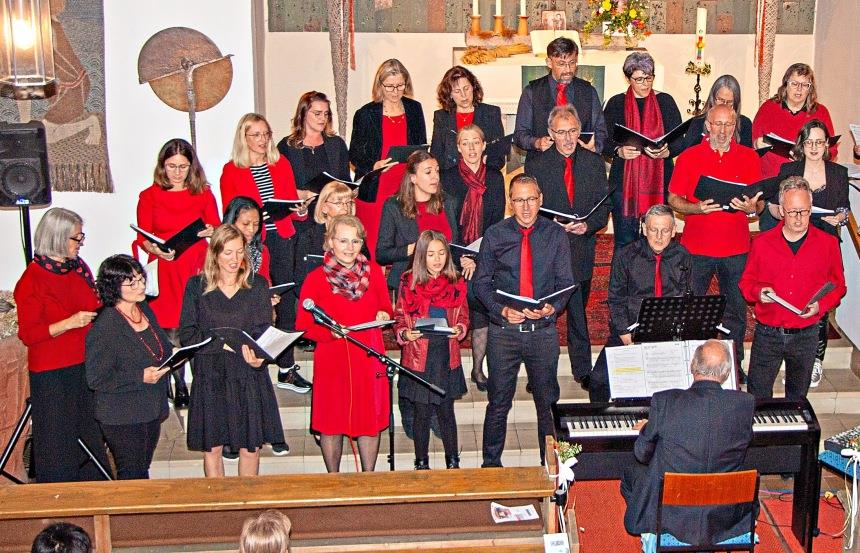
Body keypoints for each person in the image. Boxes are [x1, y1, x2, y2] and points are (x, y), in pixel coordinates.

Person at [474, 175, 575, 467]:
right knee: (498, 403)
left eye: (531, 199)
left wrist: (552, 308)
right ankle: (491, 467)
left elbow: (565, 282)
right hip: (503, 333)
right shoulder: (495, 234)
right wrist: (501, 310)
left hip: (542, 333)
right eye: (519, 200)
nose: (526, 207)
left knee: (547, 404)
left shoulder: (555, 235)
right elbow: (481, 284)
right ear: (510, 203)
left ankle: (552, 468)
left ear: (541, 199)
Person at [621, 340, 756, 550]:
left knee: (632, 472)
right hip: (724, 513)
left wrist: (649, 428)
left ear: (693, 366)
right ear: (727, 373)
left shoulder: (665, 401)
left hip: (672, 516)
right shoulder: (745, 403)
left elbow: (642, 454)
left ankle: (652, 530)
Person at [179, 224, 287, 477]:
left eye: (240, 252)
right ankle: (216, 499)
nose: (235, 259)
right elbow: (188, 335)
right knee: (213, 447)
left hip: (248, 374)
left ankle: (246, 498)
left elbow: (263, 331)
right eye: (228, 252)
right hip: (211, 374)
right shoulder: (196, 286)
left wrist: (260, 359)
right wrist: (224, 343)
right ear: (215, 253)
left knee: (251, 448)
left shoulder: (257, 285)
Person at [14, 207, 109, 483]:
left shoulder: (78, 268)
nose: (80, 243)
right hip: (52, 372)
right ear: (56, 238)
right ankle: (58, 494)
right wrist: (69, 323)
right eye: (75, 238)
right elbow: (29, 335)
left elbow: (94, 304)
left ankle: (93, 490)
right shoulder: (31, 280)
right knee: (57, 440)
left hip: (83, 363)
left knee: (88, 432)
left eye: (81, 237)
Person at [667, 105, 762, 378]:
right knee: (692, 309)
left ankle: (735, 368)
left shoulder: (749, 157)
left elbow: (760, 204)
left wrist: (751, 208)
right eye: (717, 124)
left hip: (736, 248)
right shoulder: (689, 157)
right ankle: (692, 366)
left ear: (735, 127)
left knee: (735, 312)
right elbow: (673, 199)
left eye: (728, 124)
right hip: (697, 248)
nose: (722, 130)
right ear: (707, 126)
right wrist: (696, 208)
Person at [220, 113, 312, 394]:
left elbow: (290, 204)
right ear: (244, 138)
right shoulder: (231, 170)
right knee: (251, 301)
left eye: (266, 134)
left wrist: (300, 210)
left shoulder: (280, 163)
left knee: (285, 302)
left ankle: (286, 368)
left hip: (281, 238)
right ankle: (249, 363)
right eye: (255, 135)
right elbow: (230, 213)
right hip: (250, 242)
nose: (262, 140)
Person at [295, 215, 393, 472]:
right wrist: (329, 333)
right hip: (333, 356)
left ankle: (368, 479)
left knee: (368, 421)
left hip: (368, 354)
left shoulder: (374, 273)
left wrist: (384, 314)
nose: (350, 247)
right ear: (330, 242)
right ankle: (333, 480)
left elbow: (385, 306)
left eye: (356, 241)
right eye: (343, 241)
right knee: (331, 422)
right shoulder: (315, 278)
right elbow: (303, 324)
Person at [758, 120, 850, 388]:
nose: (814, 147)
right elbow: (774, 206)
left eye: (820, 142)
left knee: (820, 300)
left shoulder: (838, 172)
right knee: (791, 294)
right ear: (801, 144)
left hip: (824, 242)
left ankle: (815, 360)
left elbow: (844, 209)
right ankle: (788, 353)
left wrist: (840, 218)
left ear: (827, 145)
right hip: (794, 242)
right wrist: (784, 214)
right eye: (809, 142)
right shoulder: (789, 170)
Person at [524, 105, 609, 386]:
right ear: (550, 133)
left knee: (577, 313)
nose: (568, 138)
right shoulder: (537, 164)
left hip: (581, 245)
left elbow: (604, 205)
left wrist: (588, 225)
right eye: (561, 132)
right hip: (548, 247)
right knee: (541, 313)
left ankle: (582, 369)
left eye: (573, 131)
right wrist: (551, 226)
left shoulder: (594, 162)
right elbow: (528, 207)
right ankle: (538, 372)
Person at [740, 176, 846, 400]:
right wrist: (759, 293)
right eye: (792, 212)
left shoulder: (827, 243)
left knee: (797, 399)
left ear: (810, 209)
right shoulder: (762, 243)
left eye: (804, 212)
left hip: (806, 334)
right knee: (757, 397)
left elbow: (838, 286)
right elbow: (746, 284)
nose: (798, 218)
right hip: (768, 333)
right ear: (781, 210)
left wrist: (820, 306)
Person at [134, 138, 219, 409]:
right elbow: (143, 236)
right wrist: (157, 250)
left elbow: (216, 226)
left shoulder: (203, 192)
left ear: (192, 167)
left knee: (194, 323)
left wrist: (210, 230)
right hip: (166, 266)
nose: (178, 172)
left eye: (183, 167)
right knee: (169, 326)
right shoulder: (149, 195)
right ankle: (178, 382)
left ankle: (199, 382)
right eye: (172, 166)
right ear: (162, 166)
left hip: (194, 264)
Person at [589, 204, 691, 402]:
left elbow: (686, 297)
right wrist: (624, 334)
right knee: (598, 380)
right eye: (653, 230)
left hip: (667, 333)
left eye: (665, 231)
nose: (659, 237)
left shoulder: (682, 255)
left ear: (674, 231)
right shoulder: (626, 255)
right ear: (644, 229)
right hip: (630, 330)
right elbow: (616, 297)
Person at [85, 254, 172, 480]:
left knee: (142, 469)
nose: (141, 286)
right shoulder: (105, 326)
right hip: (122, 414)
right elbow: (96, 378)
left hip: (150, 407)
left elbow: (161, 347)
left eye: (141, 278)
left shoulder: (143, 309)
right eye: (132, 283)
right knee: (132, 474)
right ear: (114, 287)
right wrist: (140, 376)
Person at [395, 231, 469, 470]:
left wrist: (460, 329)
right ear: (421, 256)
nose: (437, 259)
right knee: (422, 412)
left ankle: (453, 462)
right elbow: (399, 318)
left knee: (447, 411)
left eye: (441, 253)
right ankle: (421, 463)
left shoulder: (455, 281)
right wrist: (405, 334)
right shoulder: (409, 281)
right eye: (431, 254)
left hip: (445, 355)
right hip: (419, 356)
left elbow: (463, 316)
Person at [440, 124, 506, 391]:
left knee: (481, 312)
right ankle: (448, 372)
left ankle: (478, 370)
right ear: (458, 148)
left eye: (475, 142)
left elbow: (497, 224)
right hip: (452, 258)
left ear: (483, 145)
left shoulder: (495, 178)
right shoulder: (446, 178)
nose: (471, 148)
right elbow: (445, 225)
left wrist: (479, 258)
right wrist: (462, 258)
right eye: (465, 143)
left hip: (485, 256)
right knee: (450, 315)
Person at [603, 52, 683, 251]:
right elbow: (602, 141)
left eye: (649, 77)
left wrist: (667, 152)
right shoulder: (616, 103)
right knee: (625, 242)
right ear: (628, 78)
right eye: (639, 79)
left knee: (658, 241)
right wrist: (619, 151)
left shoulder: (666, 102)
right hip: (624, 184)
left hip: (660, 181)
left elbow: (681, 140)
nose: (645, 84)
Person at [350, 59, 427, 258]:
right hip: (377, 184)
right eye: (390, 86)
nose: (395, 91)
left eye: (400, 86)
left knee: (406, 245)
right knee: (375, 244)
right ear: (380, 85)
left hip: (407, 184)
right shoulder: (366, 113)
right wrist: (373, 165)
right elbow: (355, 154)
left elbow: (421, 147)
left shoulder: (414, 109)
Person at [376, 151, 463, 291]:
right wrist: (411, 249)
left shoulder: (448, 202)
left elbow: (456, 244)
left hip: (446, 279)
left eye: (437, 171)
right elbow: (381, 254)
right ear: (413, 178)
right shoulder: (394, 206)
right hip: (411, 282)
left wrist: (466, 258)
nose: (435, 177)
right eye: (428, 172)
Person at [514, 37, 607, 162]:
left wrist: (596, 146)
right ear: (549, 62)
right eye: (561, 64)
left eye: (572, 63)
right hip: (542, 163)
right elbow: (519, 135)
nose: (568, 70)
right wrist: (537, 143)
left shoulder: (588, 91)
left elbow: (601, 130)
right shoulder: (531, 92)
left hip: (580, 162)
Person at [753, 63, 836, 177]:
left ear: (810, 89)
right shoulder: (768, 108)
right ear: (786, 84)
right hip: (770, 177)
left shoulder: (821, 112)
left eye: (805, 85)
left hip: (806, 178)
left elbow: (831, 149)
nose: (799, 89)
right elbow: (752, 143)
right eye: (794, 83)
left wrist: (810, 157)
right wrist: (756, 144)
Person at [293, 181, 370, 290]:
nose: (345, 208)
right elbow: (300, 280)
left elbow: (366, 268)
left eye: (348, 202)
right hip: (316, 292)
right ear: (324, 207)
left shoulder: (356, 233)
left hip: (351, 291)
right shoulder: (309, 237)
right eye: (339, 203)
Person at [430, 66, 505, 170]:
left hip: (484, 175)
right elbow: (436, 155)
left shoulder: (491, 113)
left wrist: (485, 166)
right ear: (450, 94)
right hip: (451, 176)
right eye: (457, 91)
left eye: (466, 88)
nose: (463, 95)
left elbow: (499, 156)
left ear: (473, 87)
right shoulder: (441, 117)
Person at [276, 90, 350, 191]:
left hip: (332, 200)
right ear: (303, 114)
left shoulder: (337, 144)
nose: (323, 118)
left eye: (326, 114)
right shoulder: (287, 146)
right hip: (301, 201)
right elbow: (281, 186)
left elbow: (345, 181)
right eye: (317, 113)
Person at [678, 75, 753, 151]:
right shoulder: (697, 122)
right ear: (712, 98)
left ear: (736, 103)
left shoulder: (745, 124)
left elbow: (747, 155)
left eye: (729, 102)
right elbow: (687, 153)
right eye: (721, 100)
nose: (724, 104)